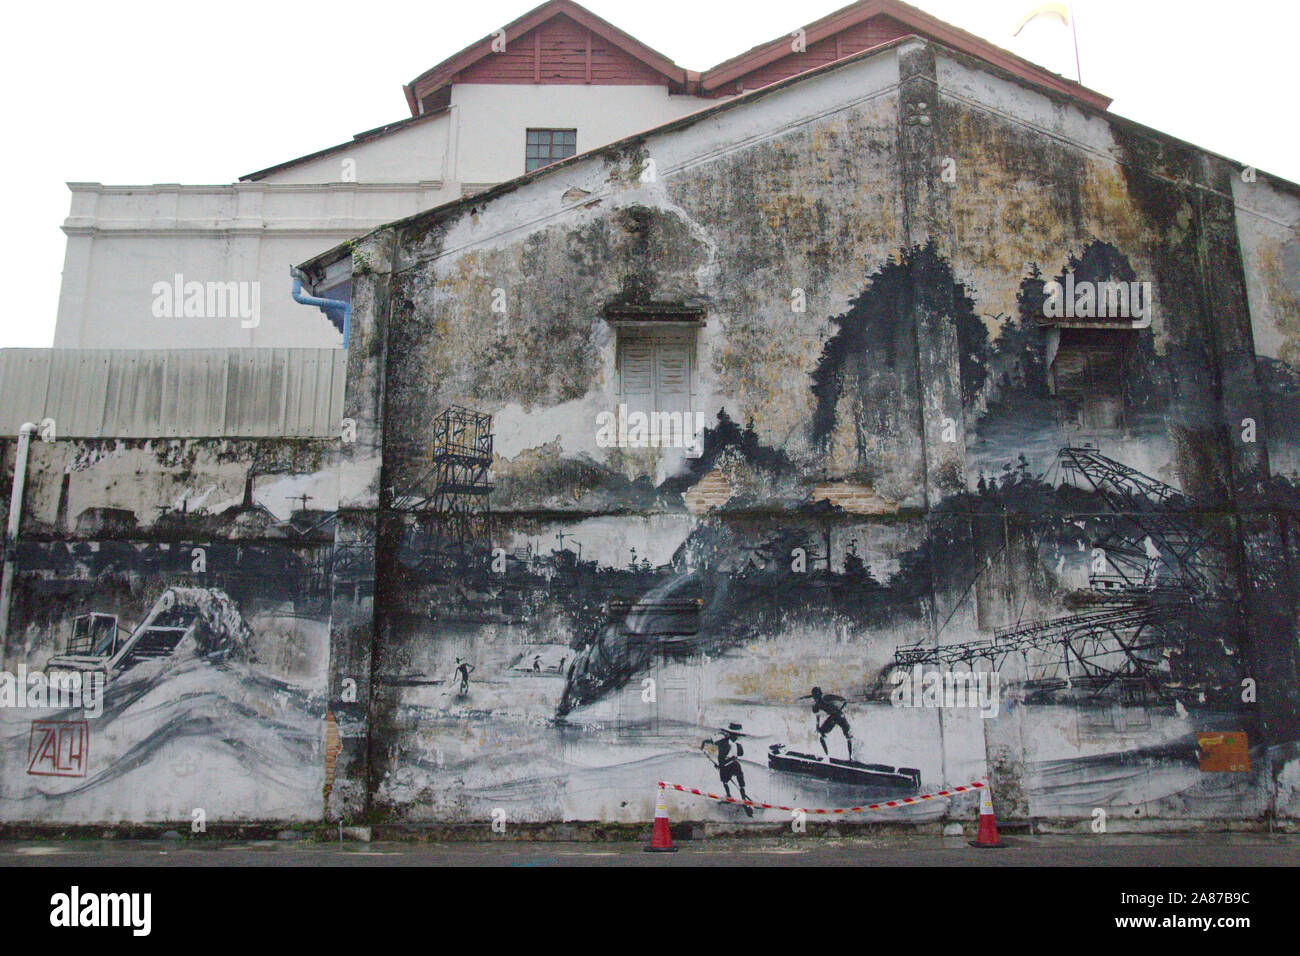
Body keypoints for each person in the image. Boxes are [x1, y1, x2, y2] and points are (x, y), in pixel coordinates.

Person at [703, 722, 754, 817]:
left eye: (737, 736)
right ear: (730, 734)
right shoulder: (723, 742)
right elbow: (710, 742)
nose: (736, 737)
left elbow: (740, 753)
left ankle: (744, 800)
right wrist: (704, 745)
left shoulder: (737, 745)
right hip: (725, 766)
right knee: (725, 781)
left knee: (740, 783)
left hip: (733, 765)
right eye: (734, 735)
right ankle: (729, 795)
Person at [809, 686, 854, 760]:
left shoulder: (827, 698)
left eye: (816, 696)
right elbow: (817, 716)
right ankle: (827, 757)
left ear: (820, 694)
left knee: (848, 736)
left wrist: (840, 709)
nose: (816, 698)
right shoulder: (816, 706)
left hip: (839, 716)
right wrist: (817, 726)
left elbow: (844, 700)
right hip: (834, 717)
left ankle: (851, 757)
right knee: (822, 734)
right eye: (814, 697)